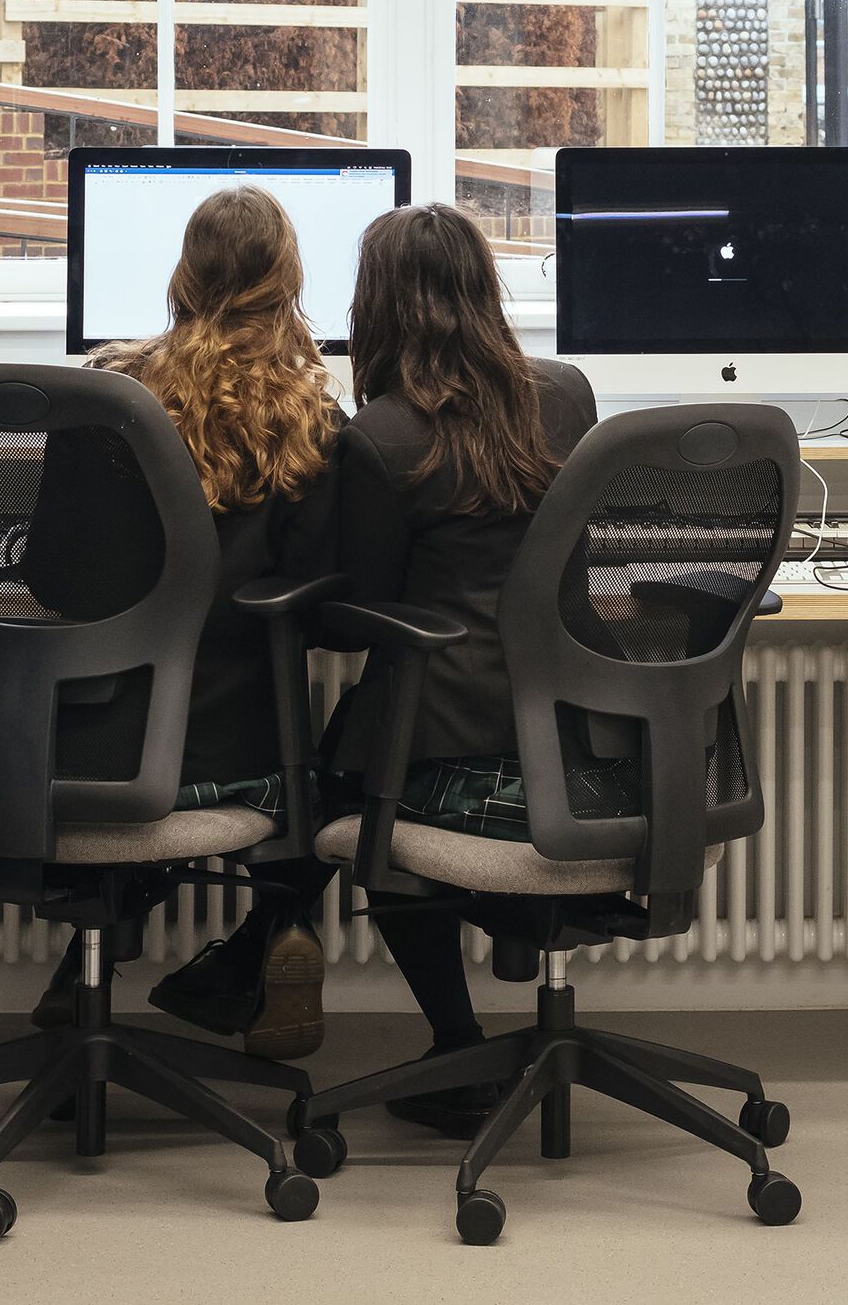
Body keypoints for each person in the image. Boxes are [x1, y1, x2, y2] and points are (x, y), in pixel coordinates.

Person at [31, 182, 344, 1060]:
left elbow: (47, 575)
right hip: (227, 757)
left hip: (87, 742)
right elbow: (319, 598)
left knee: (147, 743)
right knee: (320, 758)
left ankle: (89, 957)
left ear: (182, 270)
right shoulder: (311, 415)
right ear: (288, 279)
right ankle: (283, 926)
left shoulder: (102, 392)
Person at [338, 201, 599, 1134]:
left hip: (458, 753)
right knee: (374, 757)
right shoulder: (567, 393)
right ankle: (516, 924)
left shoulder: (380, 435)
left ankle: (456, 1041)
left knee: (346, 782)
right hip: (581, 752)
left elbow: (358, 611)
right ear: (485, 290)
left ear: (378, 307)